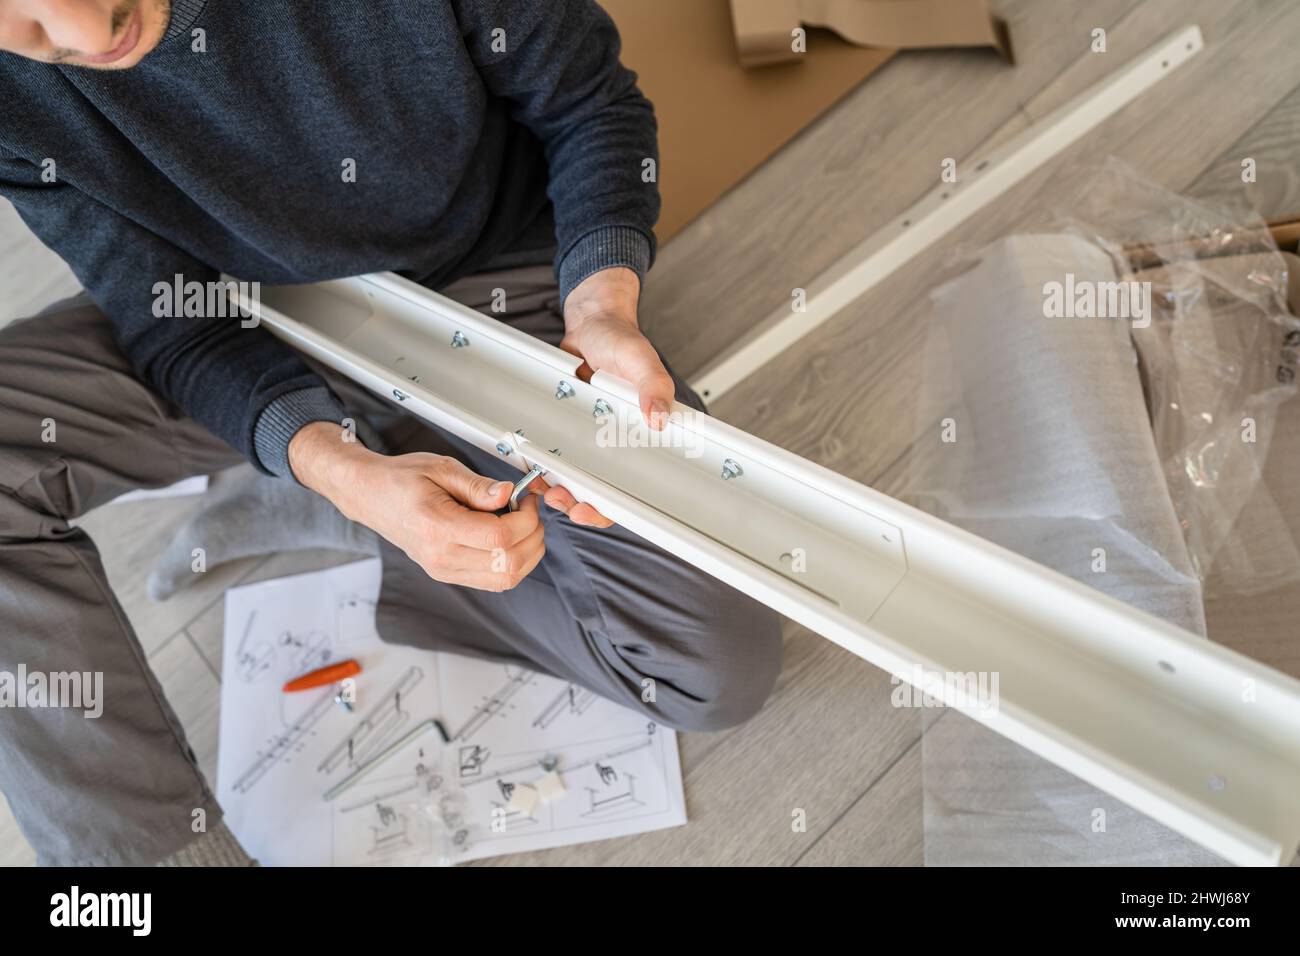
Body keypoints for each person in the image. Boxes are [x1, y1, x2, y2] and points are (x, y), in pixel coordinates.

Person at [0, 0, 782, 866]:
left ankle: (355, 516)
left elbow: (590, 103)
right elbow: (166, 316)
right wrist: (330, 461)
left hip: (486, 294)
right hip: (240, 316)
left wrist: (600, 303)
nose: (76, 32)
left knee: (713, 668)